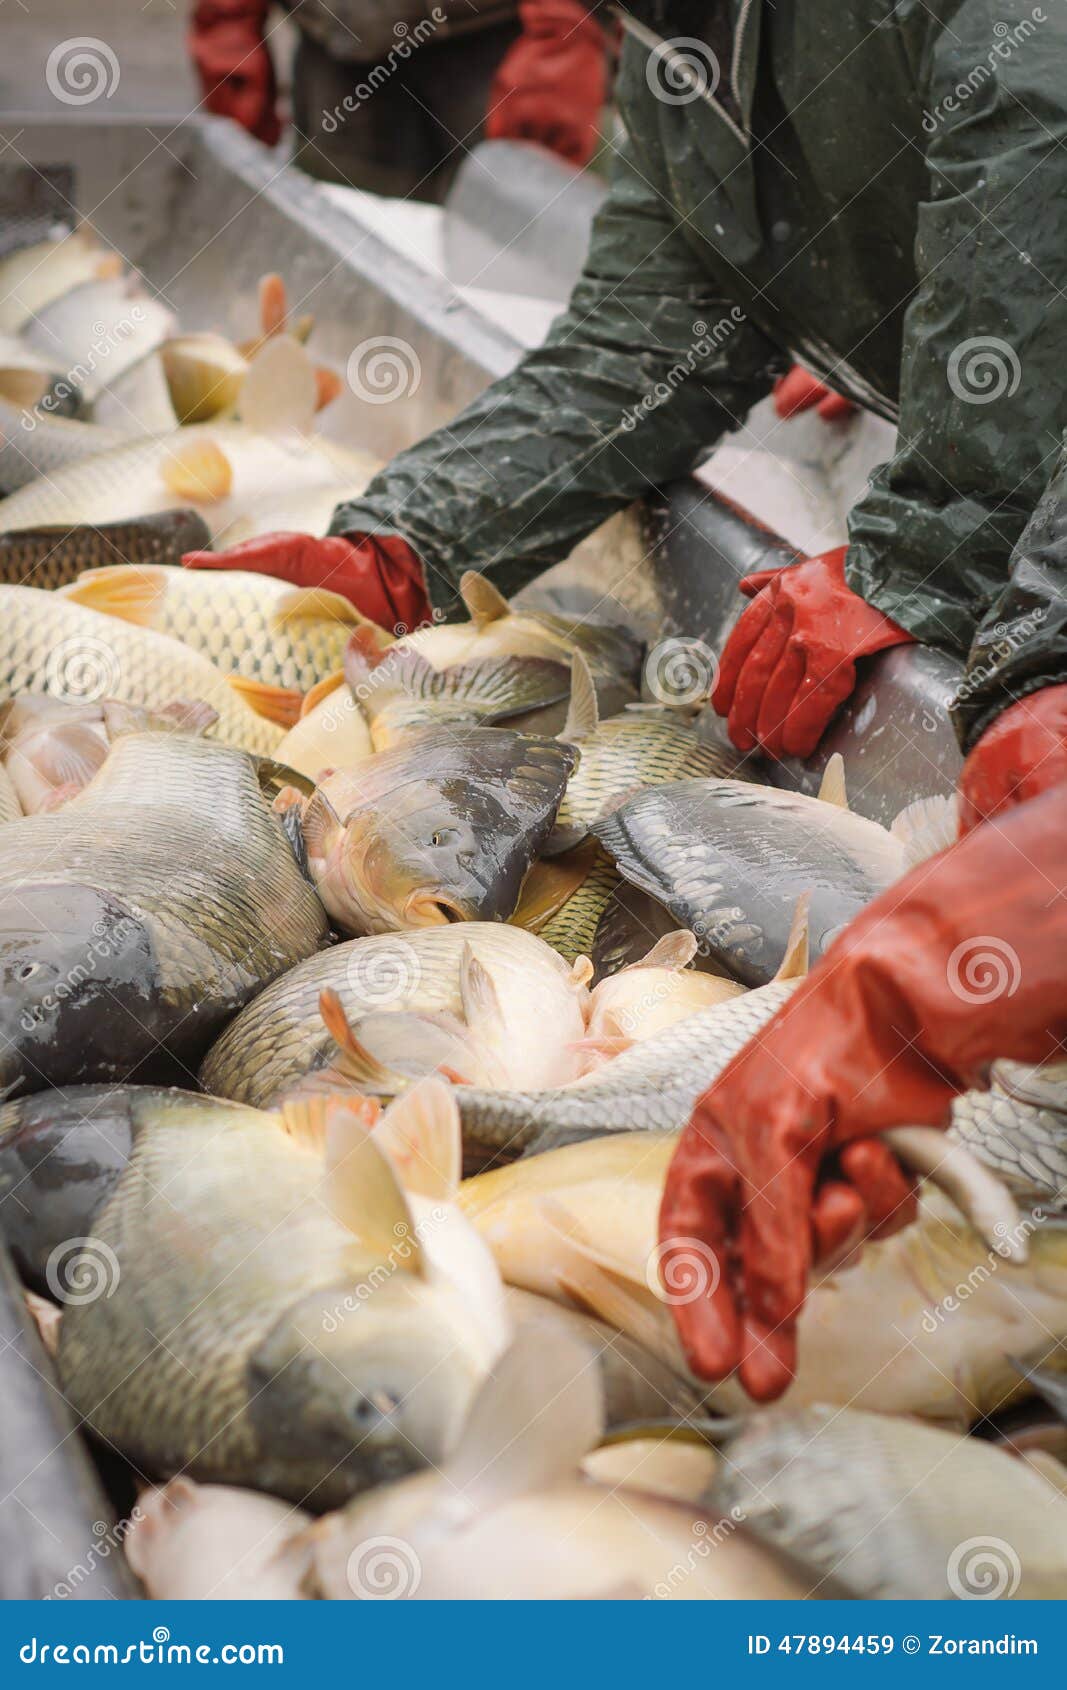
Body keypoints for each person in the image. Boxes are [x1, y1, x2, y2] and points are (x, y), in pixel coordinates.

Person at [189, 0, 609, 199]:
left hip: (488, 53)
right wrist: (227, 21)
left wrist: (566, 31)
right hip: (336, 58)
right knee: (340, 248)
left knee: (494, 265)